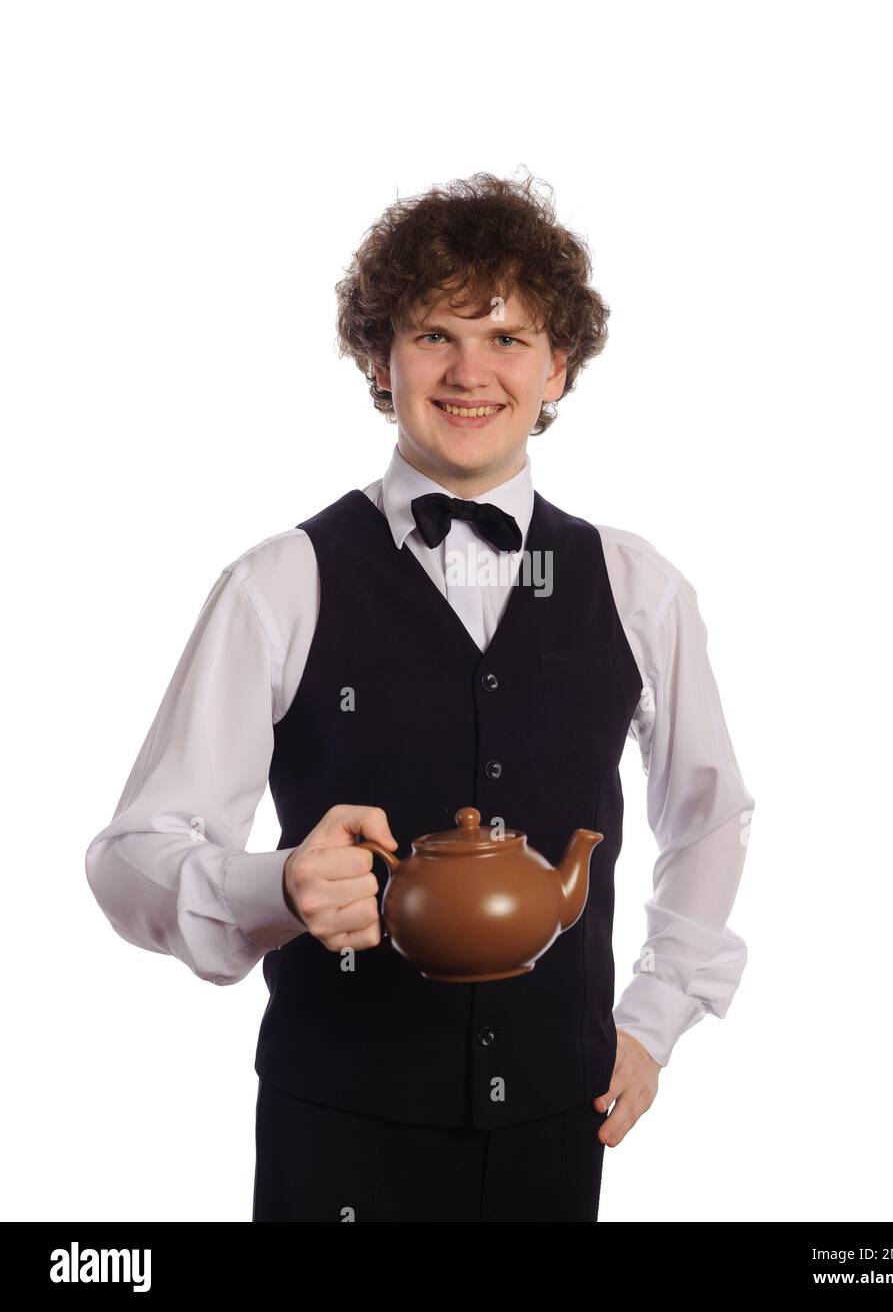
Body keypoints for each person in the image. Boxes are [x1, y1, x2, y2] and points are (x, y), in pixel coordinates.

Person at [85, 171, 755, 1222]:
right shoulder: (279, 580)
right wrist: (276, 886)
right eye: (436, 335)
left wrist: (654, 1016)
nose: (469, 371)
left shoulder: (637, 586)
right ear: (379, 360)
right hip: (334, 1129)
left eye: (506, 338)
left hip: (554, 1121)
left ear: (558, 366)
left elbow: (709, 812)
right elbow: (128, 853)